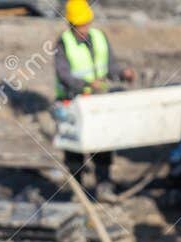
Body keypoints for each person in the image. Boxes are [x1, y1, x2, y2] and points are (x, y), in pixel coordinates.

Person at [55, 0, 135, 199]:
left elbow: (110, 66)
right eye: (80, 26)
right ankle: (77, 191)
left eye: (86, 24)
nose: (84, 29)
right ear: (71, 25)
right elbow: (64, 76)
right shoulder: (63, 43)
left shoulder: (99, 38)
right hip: (73, 102)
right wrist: (88, 85)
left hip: (97, 102)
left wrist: (123, 73)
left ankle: (104, 187)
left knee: (103, 145)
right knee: (74, 149)